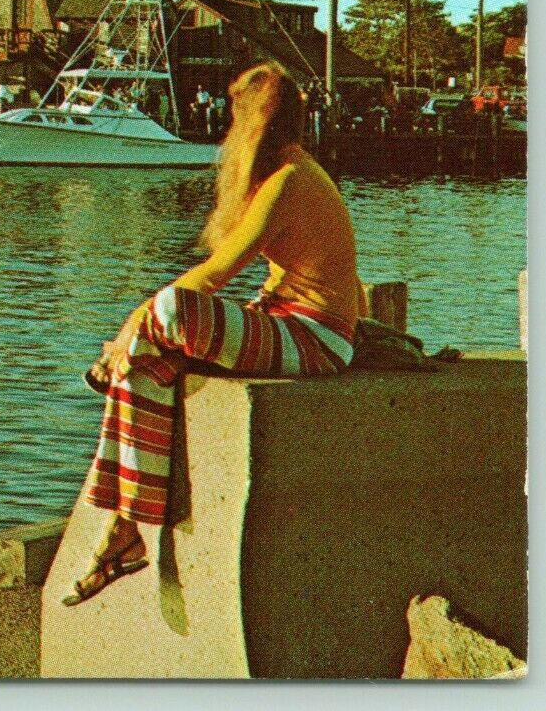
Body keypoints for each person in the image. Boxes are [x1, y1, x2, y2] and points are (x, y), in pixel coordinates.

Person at [66, 62, 360, 607]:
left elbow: (215, 273)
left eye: (235, 118)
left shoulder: (290, 181)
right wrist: (137, 335)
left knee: (169, 311)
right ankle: (125, 526)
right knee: (148, 361)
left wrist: (131, 322)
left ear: (254, 123)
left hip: (316, 338)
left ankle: (125, 527)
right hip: (291, 322)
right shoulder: (291, 172)